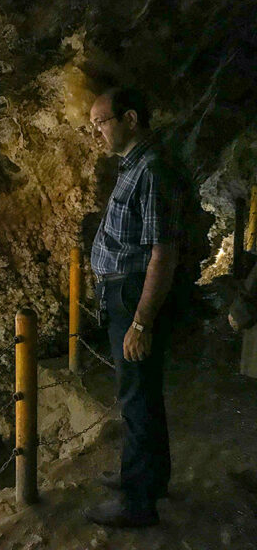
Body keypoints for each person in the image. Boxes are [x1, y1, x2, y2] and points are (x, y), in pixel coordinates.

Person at [84, 87, 184, 527]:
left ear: (129, 118)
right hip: (121, 293)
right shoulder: (133, 165)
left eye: (102, 122)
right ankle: (150, 477)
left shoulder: (152, 170)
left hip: (131, 298)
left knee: (136, 398)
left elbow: (164, 252)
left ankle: (137, 503)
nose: (98, 132)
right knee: (141, 392)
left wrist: (140, 323)